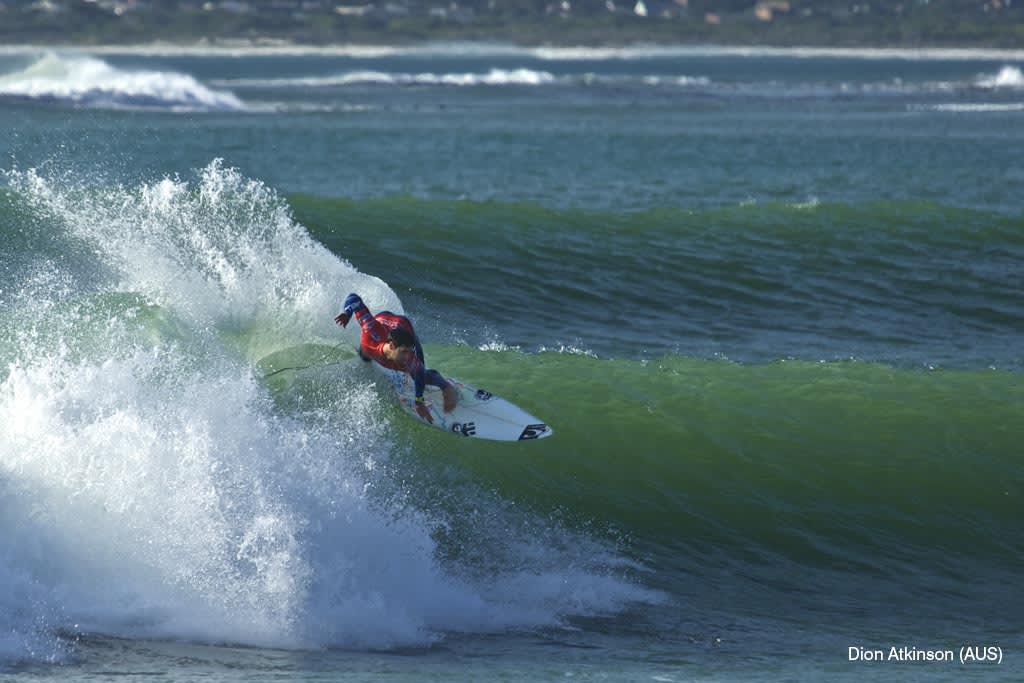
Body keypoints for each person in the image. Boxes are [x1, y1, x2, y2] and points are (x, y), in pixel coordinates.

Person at [334, 293, 457, 424]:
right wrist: (347, 313)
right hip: (382, 320)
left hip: (403, 325)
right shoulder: (369, 332)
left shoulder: (408, 357)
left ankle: (447, 387)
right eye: (404, 352)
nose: (408, 357)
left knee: (419, 372)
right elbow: (354, 299)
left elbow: (420, 372)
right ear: (392, 346)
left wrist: (419, 401)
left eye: (409, 352)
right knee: (364, 357)